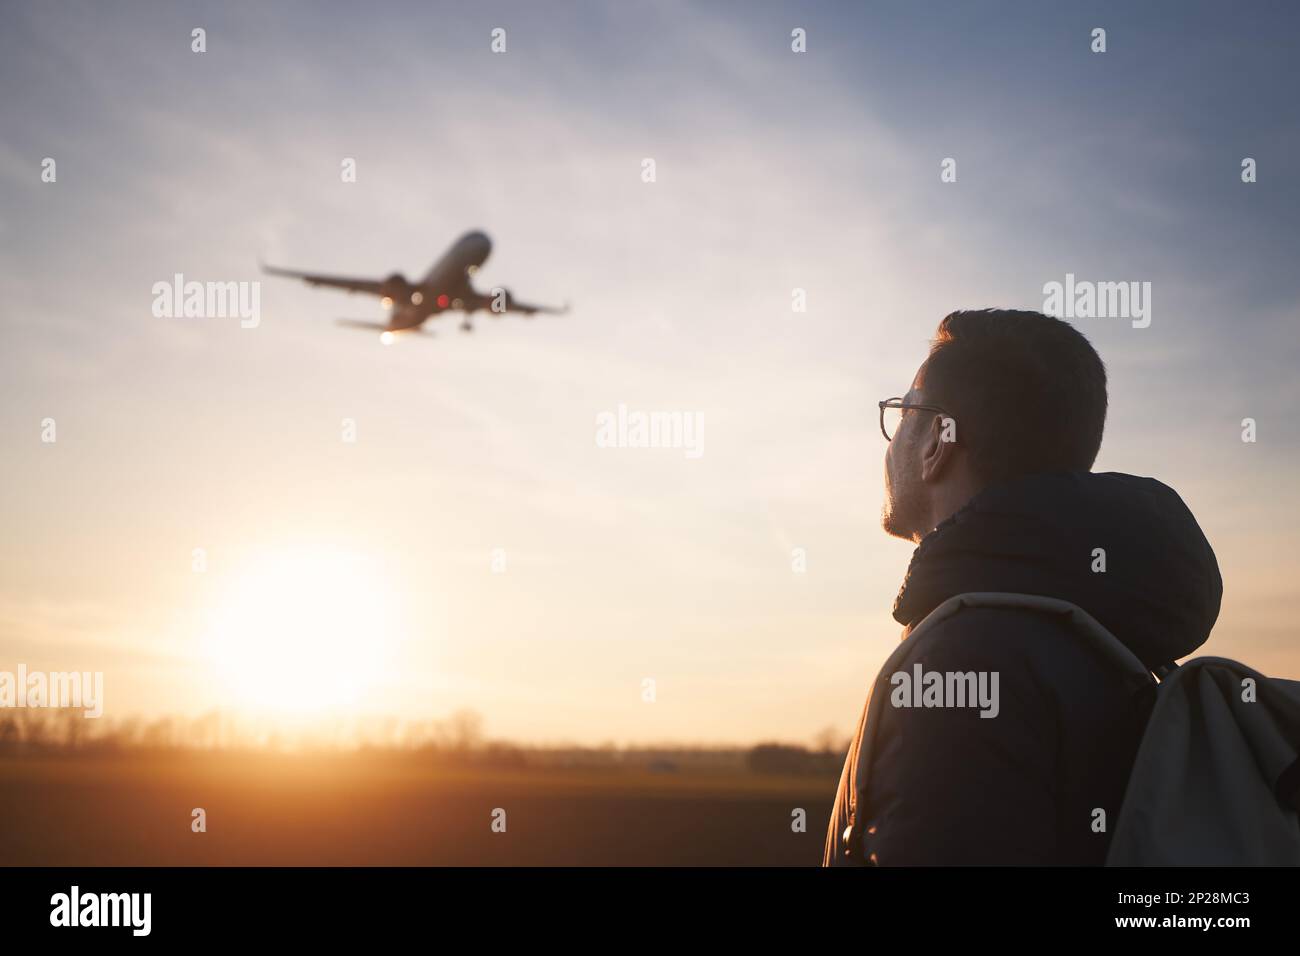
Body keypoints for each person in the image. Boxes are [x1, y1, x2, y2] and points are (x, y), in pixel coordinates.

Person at [824, 309, 1222, 865]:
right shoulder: (1117, 647)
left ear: (939, 440)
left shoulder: (962, 668)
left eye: (905, 410)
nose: (890, 444)